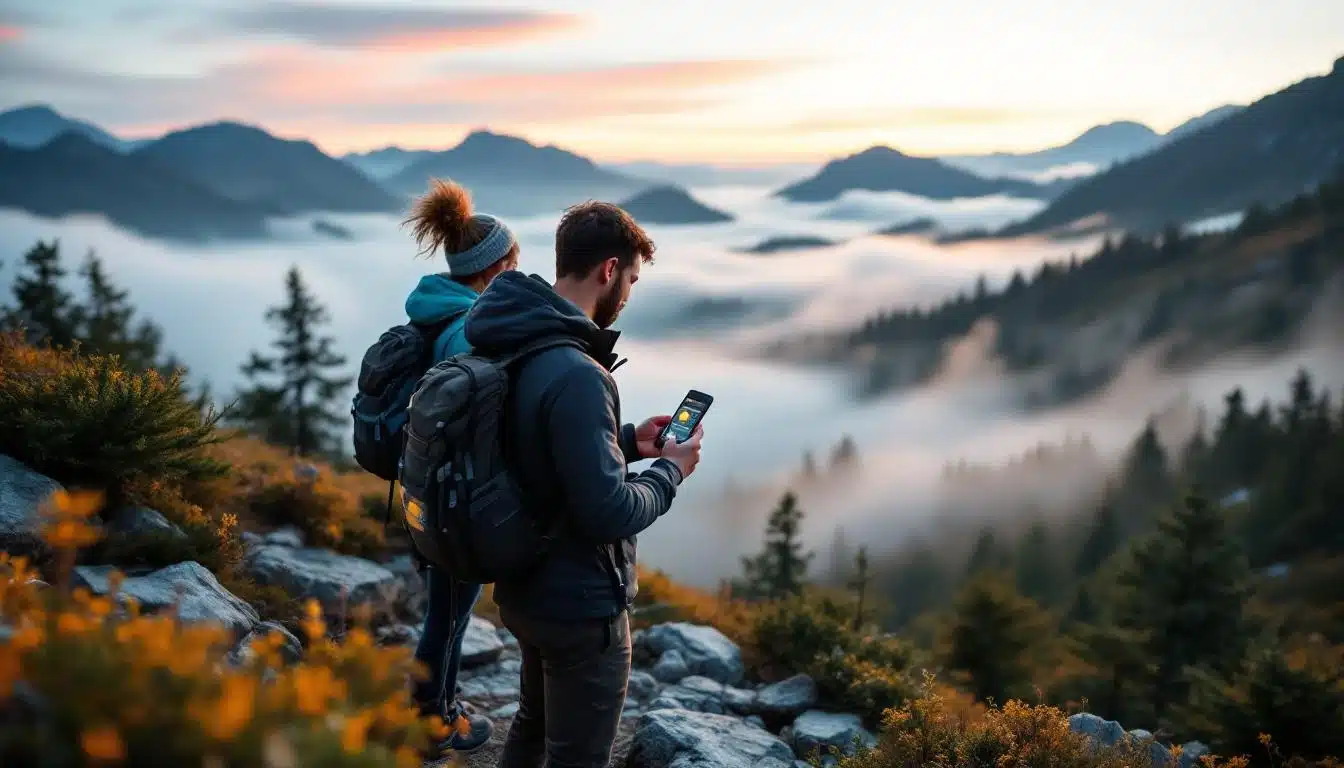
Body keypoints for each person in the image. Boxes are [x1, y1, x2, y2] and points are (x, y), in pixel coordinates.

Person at [460, 201, 704, 768]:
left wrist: (627, 440)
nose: (629, 294)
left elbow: (531, 441)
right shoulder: (577, 372)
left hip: (523, 586)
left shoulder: (513, 336)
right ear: (608, 270)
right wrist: (670, 471)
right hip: (579, 605)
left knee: (534, 723)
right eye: (632, 280)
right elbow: (607, 511)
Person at [401, 178, 519, 752]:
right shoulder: (468, 330)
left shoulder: (433, 309)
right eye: (512, 261)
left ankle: (440, 709)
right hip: (453, 496)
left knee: (446, 611)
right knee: (447, 617)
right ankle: (430, 722)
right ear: (494, 267)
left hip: (422, 482)